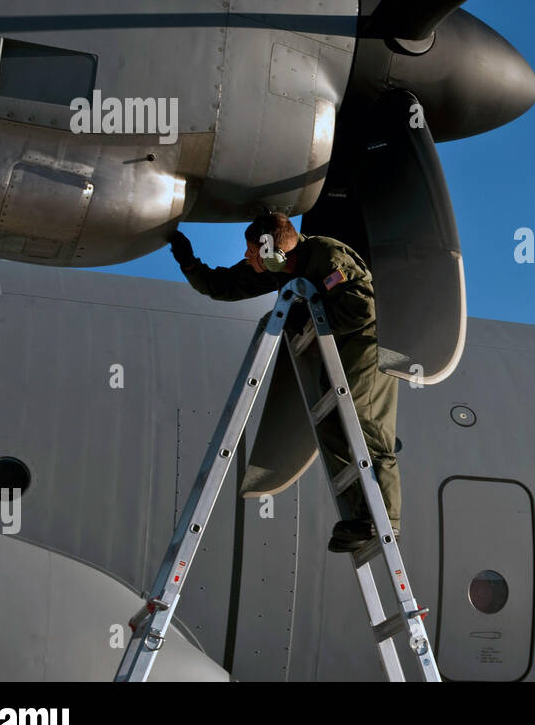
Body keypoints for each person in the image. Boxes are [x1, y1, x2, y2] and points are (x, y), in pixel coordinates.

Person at [168, 213, 399, 553]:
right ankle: (361, 518)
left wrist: (310, 316)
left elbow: (362, 310)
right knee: (333, 425)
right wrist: (187, 260)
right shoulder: (280, 268)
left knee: (364, 423)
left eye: (251, 251)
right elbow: (225, 286)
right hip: (336, 349)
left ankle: (386, 519)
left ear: (273, 252)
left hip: (364, 347)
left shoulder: (324, 256)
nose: (247, 257)